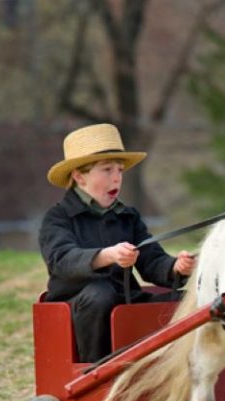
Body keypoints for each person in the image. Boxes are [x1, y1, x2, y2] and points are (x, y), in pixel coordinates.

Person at [39, 123, 195, 363]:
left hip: (127, 301)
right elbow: (62, 260)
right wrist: (108, 255)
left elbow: (152, 261)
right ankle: (95, 370)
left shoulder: (127, 216)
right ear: (79, 177)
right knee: (100, 294)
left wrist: (176, 267)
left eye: (120, 171)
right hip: (80, 307)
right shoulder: (58, 218)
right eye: (107, 170)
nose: (116, 178)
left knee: (188, 300)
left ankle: (175, 371)